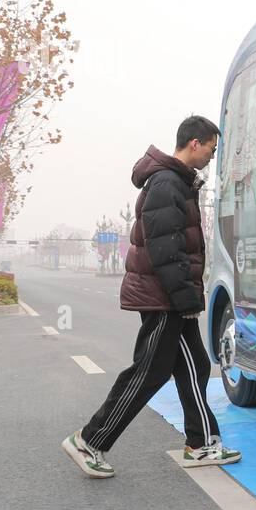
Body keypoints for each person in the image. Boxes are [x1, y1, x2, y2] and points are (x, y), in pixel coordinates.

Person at [61, 115, 241, 478]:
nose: (212, 155)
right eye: (211, 148)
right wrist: (187, 299)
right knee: (149, 371)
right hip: (163, 299)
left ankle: (203, 443)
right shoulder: (166, 183)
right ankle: (90, 441)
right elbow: (165, 251)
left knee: (195, 366)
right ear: (195, 143)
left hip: (171, 297)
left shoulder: (176, 182)